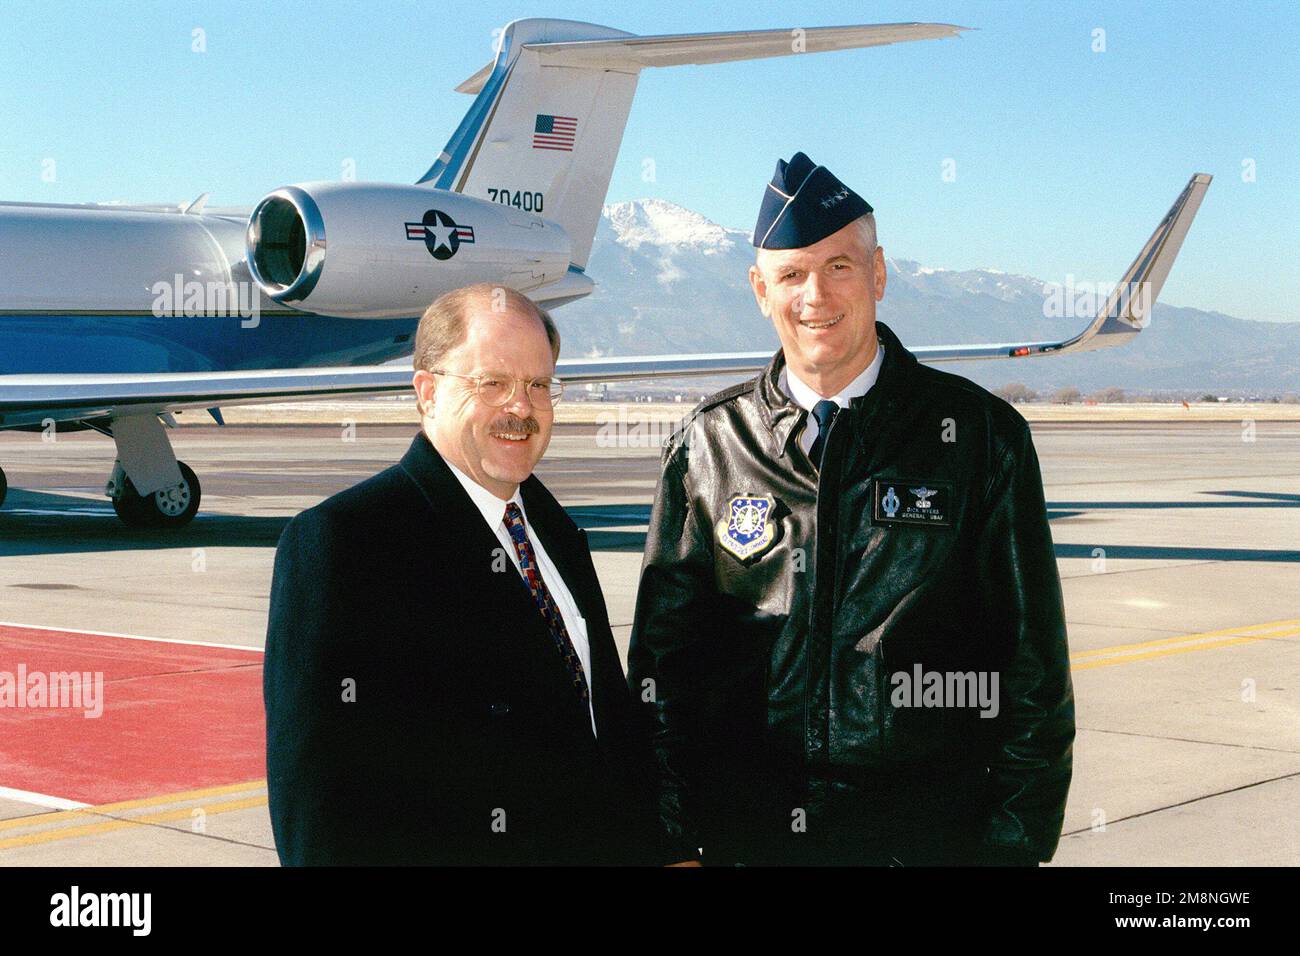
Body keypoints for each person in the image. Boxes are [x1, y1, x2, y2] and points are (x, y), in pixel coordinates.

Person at [627, 152, 1075, 866]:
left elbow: (1033, 669)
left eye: (839, 267)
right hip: (754, 835)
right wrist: (672, 839)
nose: (816, 296)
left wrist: (1012, 846)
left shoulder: (978, 438)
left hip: (926, 836)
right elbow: (662, 668)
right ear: (759, 289)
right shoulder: (710, 444)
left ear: (878, 274)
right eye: (792, 274)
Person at [264, 283, 659, 865]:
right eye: (492, 383)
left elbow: (604, 727)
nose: (521, 408)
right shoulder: (348, 544)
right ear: (427, 392)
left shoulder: (553, 533)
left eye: (538, 385)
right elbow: (319, 805)